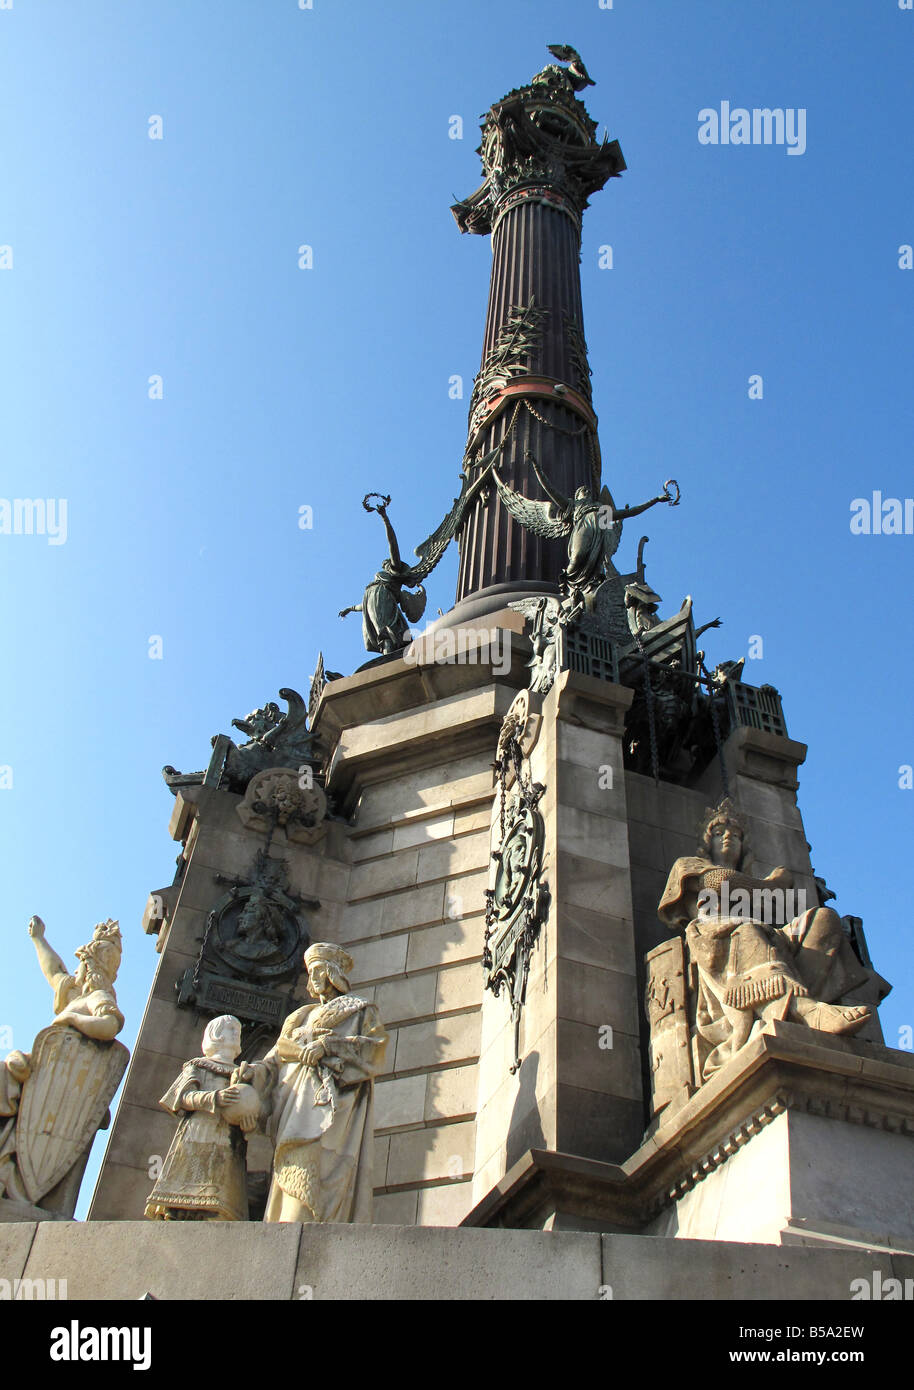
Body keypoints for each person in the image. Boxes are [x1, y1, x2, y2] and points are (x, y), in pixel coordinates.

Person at [658, 801, 871, 1078]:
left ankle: (794, 1006)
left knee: (823, 919)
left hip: (768, 938)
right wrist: (771, 885)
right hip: (716, 937)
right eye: (720, 832)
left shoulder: (752, 886)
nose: (728, 837)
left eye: (735, 835)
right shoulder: (689, 867)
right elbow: (719, 882)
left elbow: (773, 909)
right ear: (706, 842)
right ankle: (804, 1011)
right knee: (746, 931)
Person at [239, 943, 387, 1223]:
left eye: (318, 970)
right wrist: (252, 1073)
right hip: (295, 1101)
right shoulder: (300, 1017)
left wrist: (328, 1046)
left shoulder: (360, 1010)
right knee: (292, 1167)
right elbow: (274, 1061)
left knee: (322, 1168)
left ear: (334, 973)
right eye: (310, 973)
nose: (313, 979)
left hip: (333, 1108)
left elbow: (375, 1049)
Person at [145, 1015, 258, 1222]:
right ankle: (176, 1214)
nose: (236, 1034)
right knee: (183, 1193)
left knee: (218, 1200)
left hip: (227, 1140)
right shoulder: (198, 1065)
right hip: (196, 1133)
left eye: (238, 1032)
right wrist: (215, 1097)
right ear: (214, 1034)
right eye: (230, 1029)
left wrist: (248, 1124)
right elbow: (183, 1097)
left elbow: (249, 1111)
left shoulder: (243, 1075)